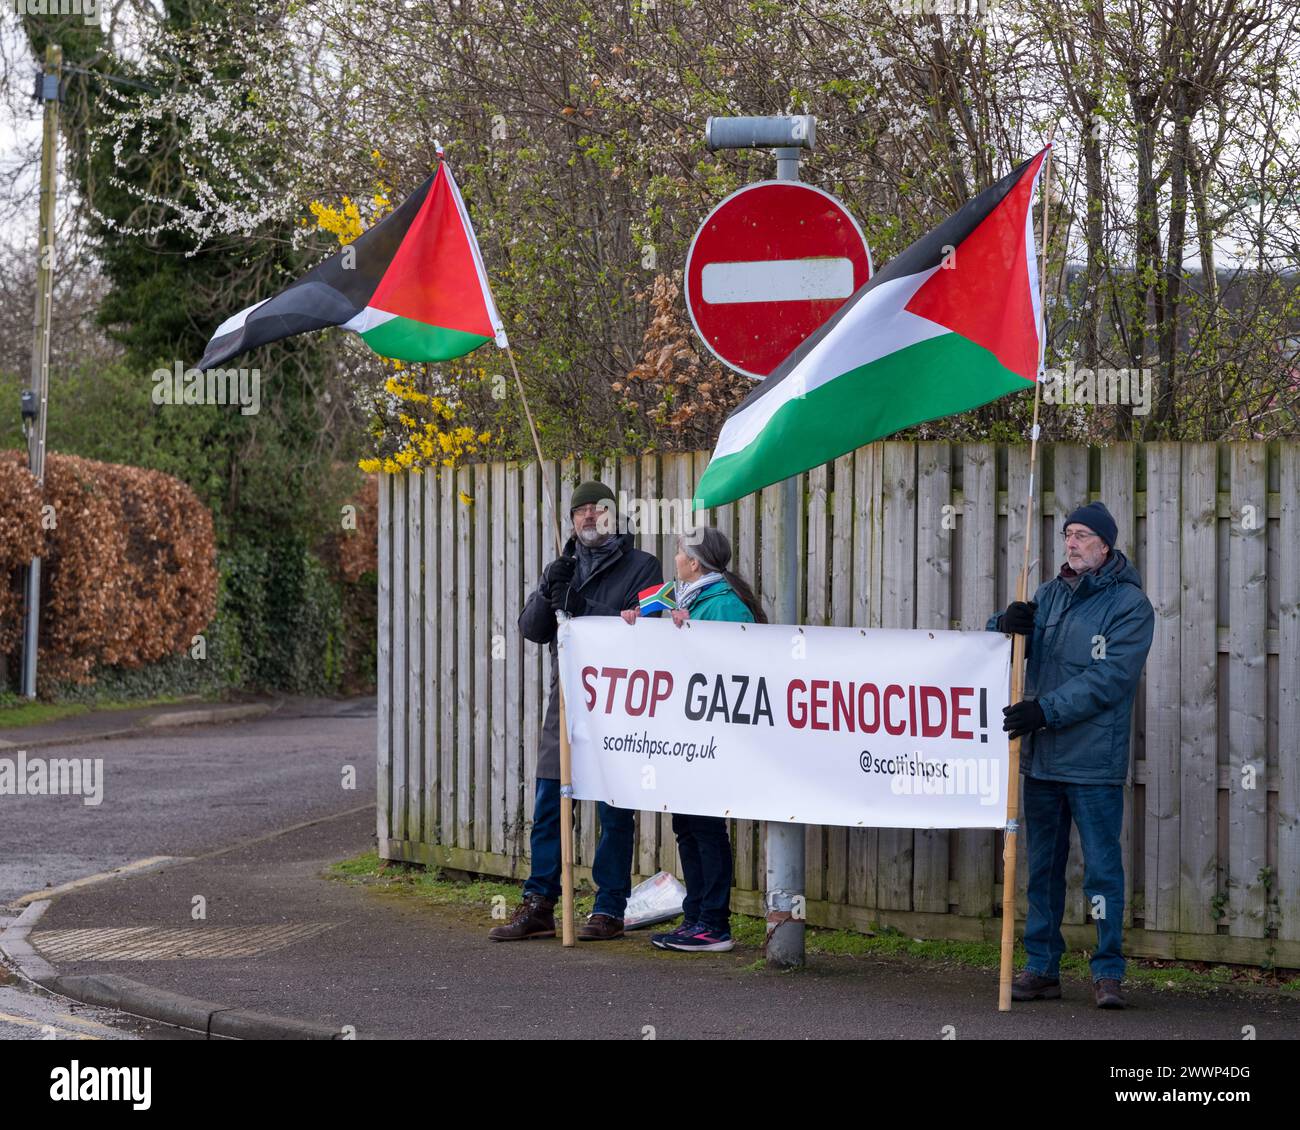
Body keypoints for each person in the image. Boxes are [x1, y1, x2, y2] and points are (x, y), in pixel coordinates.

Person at [988, 501, 1154, 1009]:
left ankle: (1108, 972)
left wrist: (1044, 710)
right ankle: (1041, 968)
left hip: (1093, 763)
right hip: (1042, 761)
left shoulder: (1130, 606)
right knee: (1043, 870)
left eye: (1082, 535)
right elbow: (1015, 651)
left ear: (1106, 544)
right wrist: (1004, 624)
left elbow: (1110, 680)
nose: (1071, 543)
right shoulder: (1049, 596)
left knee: (1102, 871)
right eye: (1067, 535)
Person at [489, 481, 663, 942]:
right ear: (571, 520)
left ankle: (608, 910)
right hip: (565, 703)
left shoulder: (643, 566)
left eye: (598, 509)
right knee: (549, 805)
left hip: (618, 707)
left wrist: (580, 605)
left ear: (614, 517)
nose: (589, 517)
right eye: (580, 511)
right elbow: (531, 629)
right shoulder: (561, 566)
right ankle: (540, 903)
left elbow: (643, 630)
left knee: (613, 810)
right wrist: (552, 589)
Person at [620, 526, 766, 952]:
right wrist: (633, 619)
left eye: (680, 553)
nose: (675, 559)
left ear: (695, 563)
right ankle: (696, 918)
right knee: (686, 824)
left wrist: (693, 636)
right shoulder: (680, 595)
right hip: (685, 734)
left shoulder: (722, 604)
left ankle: (715, 924)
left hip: (712, 737)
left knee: (705, 827)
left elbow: (735, 666)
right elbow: (639, 614)